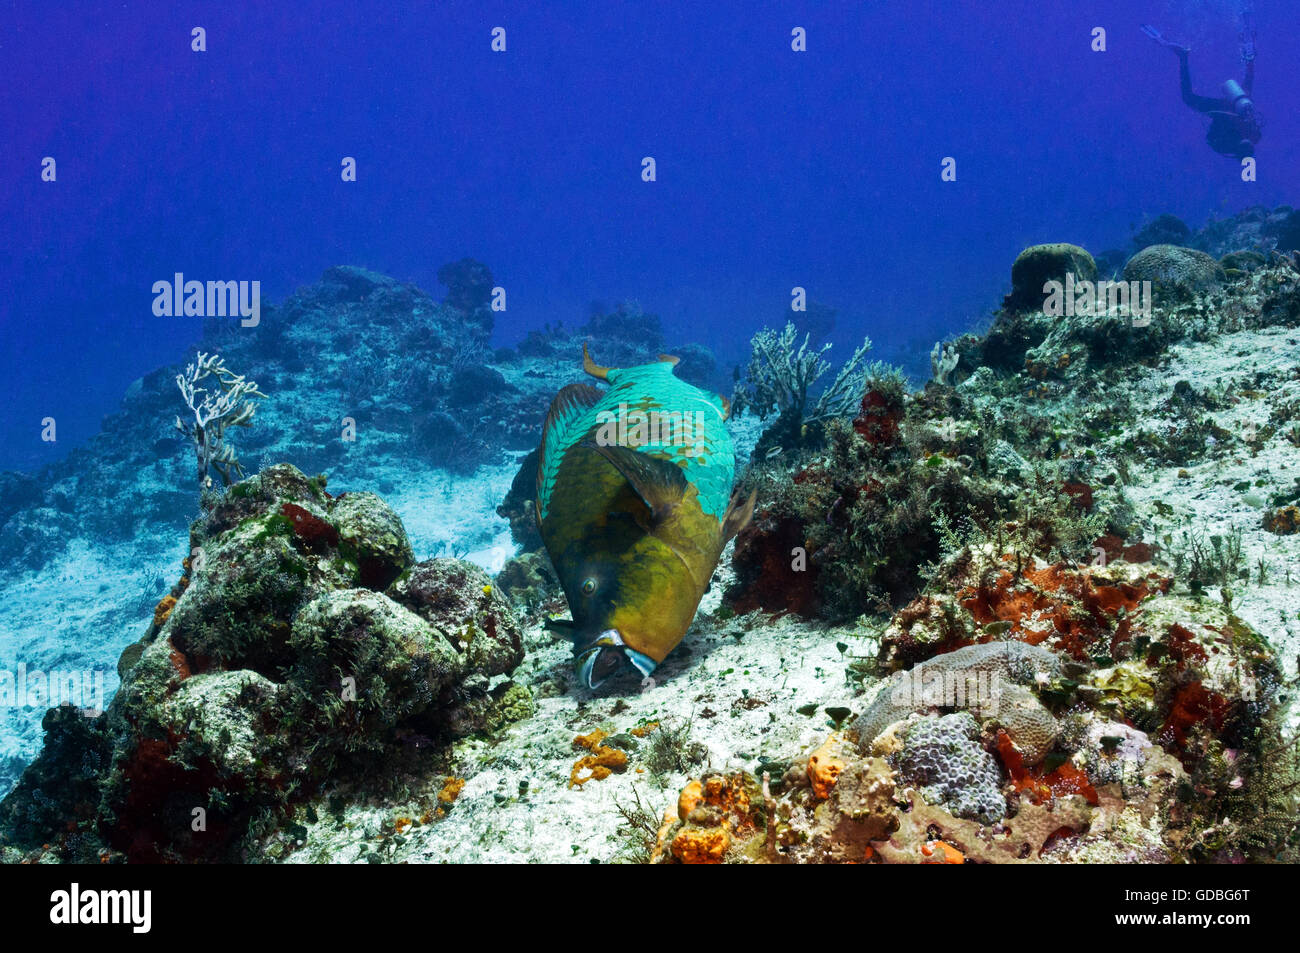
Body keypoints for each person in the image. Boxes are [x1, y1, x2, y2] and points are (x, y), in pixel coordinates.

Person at [1141, 19, 1262, 159]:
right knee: (1188, 98)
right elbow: (1212, 137)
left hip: (1237, 105)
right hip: (1226, 108)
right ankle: (1183, 57)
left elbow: (1253, 123)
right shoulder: (1227, 146)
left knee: (1246, 91)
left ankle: (1249, 59)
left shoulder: (1250, 139)